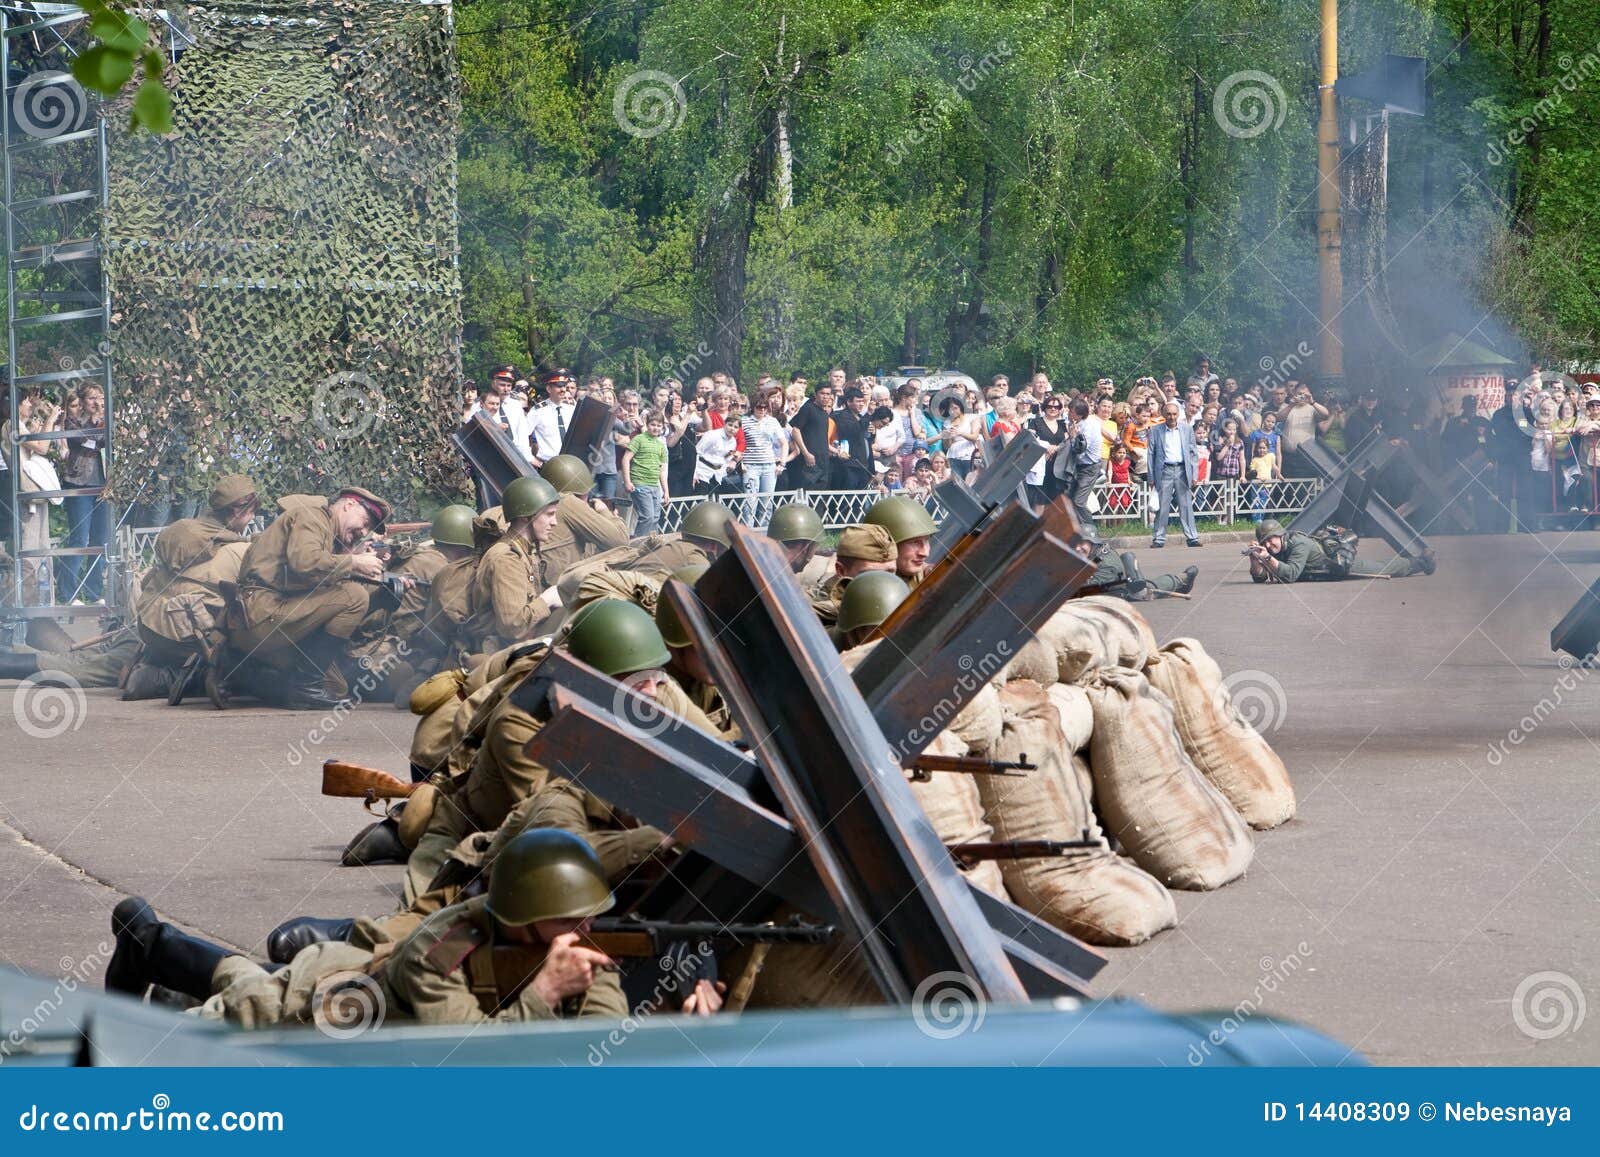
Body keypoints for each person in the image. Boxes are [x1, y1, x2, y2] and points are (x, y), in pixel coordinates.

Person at [216, 486, 391, 708]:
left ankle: (239, 672)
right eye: (365, 522)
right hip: (260, 614)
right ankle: (304, 686)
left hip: (262, 619)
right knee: (354, 596)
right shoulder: (312, 516)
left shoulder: (324, 532)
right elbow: (305, 563)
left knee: (334, 688)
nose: (363, 531)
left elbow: (311, 584)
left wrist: (358, 566)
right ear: (349, 505)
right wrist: (354, 563)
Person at [122, 474, 262, 701]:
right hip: (185, 634)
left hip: (148, 624)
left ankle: (157, 661)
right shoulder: (236, 550)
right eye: (251, 511)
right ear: (237, 512)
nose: (252, 517)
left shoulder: (180, 532)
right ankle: (163, 678)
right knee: (254, 666)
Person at [469, 476, 562, 654]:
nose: (554, 522)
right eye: (549, 514)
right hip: (500, 653)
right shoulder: (506, 559)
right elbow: (513, 626)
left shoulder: (522, 550)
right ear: (526, 517)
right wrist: (548, 599)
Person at [537, 455, 630, 584]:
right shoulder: (568, 502)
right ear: (580, 492)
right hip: (560, 586)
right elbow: (621, 541)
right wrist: (606, 513)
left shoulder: (545, 500)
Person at [1246, 518, 1434, 582]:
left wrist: (1267, 558)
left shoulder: (1298, 544)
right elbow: (1260, 578)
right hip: (1326, 572)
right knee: (1381, 565)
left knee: (1383, 568)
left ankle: (1421, 562)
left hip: (1338, 565)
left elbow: (1291, 574)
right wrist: (1255, 560)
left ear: (1280, 534)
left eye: (1270, 539)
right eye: (1265, 543)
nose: (1269, 545)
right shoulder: (1278, 550)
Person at [4, 392, 59, 604]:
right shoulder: (13, 425)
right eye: (26, 401)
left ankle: (41, 600)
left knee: (41, 547)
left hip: (33, 492)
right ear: (15, 404)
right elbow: (43, 448)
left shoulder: (17, 425)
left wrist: (39, 428)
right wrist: (51, 420)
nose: (30, 405)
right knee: (32, 547)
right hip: (27, 494)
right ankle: (30, 600)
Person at [1147, 400, 1201, 548]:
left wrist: (1194, 475)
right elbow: (1151, 454)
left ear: (1178, 414)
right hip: (1164, 470)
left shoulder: (1187, 429)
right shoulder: (1155, 430)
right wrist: (1151, 477)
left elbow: (1193, 453)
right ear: (1164, 414)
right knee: (1162, 506)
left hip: (1183, 470)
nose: (1171, 417)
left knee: (1186, 505)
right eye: (1169, 414)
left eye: (1174, 414)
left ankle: (1192, 537)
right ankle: (1158, 539)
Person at [863, 494, 936, 586]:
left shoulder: (930, 575)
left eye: (927, 540)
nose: (925, 553)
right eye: (915, 542)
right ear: (885, 545)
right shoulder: (867, 585)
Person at [739, 391, 785, 529]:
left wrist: (782, 463)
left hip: (769, 466)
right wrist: (740, 462)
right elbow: (738, 442)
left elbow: (784, 443)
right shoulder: (744, 421)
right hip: (750, 466)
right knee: (750, 503)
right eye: (759, 407)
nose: (762, 410)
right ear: (753, 406)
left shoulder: (772, 421)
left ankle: (763, 533)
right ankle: (748, 534)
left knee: (766, 503)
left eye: (765, 407)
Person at [832, 570, 910, 650]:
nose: (890, 637)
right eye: (882, 630)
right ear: (855, 633)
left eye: (896, 629)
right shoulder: (828, 651)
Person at [622, 410, 671, 535]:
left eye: (659, 426)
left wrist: (666, 491)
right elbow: (626, 459)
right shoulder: (639, 439)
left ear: (662, 427)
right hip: (640, 483)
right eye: (653, 425)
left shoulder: (661, 445)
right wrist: (627, 481)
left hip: (654, 485)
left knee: (655, 517)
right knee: (647, 516)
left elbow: (662, 470)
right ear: (647, 424)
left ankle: (649, 543)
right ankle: (637, 544)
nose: (656, 428)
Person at [1066, 397, 1103, 542]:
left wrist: (1073, 437)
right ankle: (1079, 532)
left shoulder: (1087, 426)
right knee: (1070, 500)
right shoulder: (1078, 423)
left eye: (1071, 411)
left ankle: (1092, 532)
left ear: (1079, 414)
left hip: (1089, 467)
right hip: (1080, 467)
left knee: (1078, 501)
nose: (1068, 413)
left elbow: (1080, 450)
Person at [1277, 383, 1328, 477]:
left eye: (1305, 394)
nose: (1302, 396)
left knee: (1305, 483)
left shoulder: (1312, 408)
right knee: (1287, 483)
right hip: (1288, 455)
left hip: (1306, 456)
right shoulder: (1287, 406)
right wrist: (1291, 405)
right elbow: (1279, 418)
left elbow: (1325, 415)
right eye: (1299, 393)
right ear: (1294, 394)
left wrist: (1312, 401)